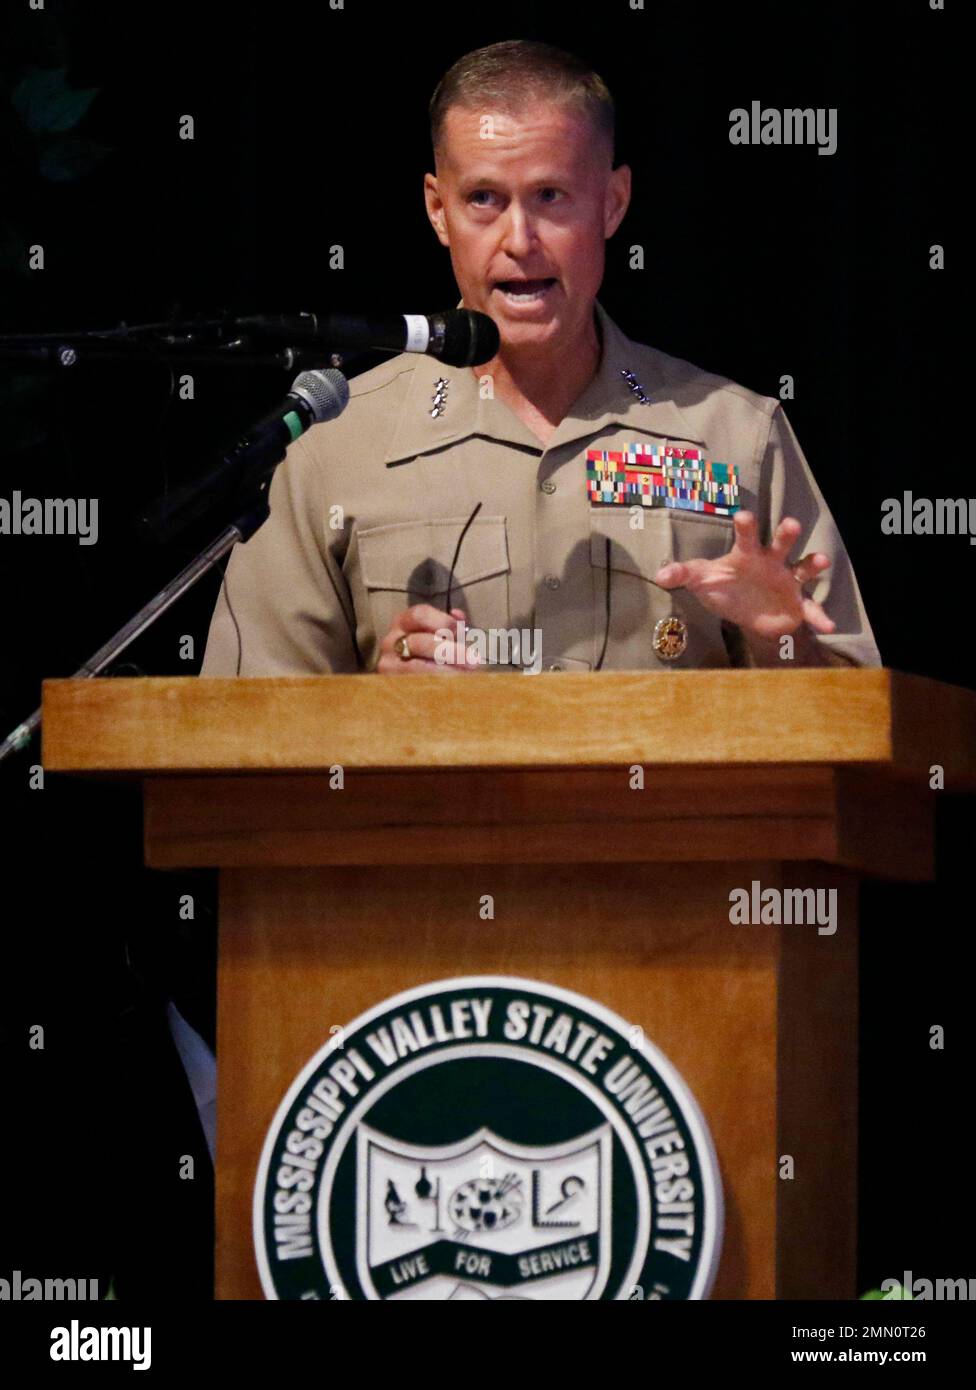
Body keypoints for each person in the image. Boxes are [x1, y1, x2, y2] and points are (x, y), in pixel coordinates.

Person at [201, 39, 880, 678]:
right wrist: (379, 712)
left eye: (551, 197)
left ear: (612, 203)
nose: (519, 239)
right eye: (484, 200)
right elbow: (242, 744)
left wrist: (778, 638)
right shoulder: (333, 447)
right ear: (438, 210)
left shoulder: (734, 436)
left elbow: (861, 741)